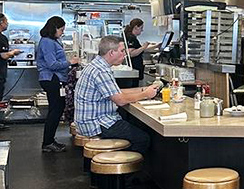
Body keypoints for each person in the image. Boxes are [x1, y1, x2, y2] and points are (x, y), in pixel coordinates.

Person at [74, 35, 158, 154]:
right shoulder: (101, 71)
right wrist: (145, 94)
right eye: (122, 51)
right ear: (111, 53)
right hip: (96, 124)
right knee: (142, 138)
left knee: (137, 127)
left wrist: (143, 89)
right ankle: (126, 170)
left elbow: (116, 91)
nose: (125, 54)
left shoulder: (97, 65)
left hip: (90, 120)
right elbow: (120, 100)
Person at [36, 16, 79, 152]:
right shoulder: (48, 42)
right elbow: (52, 64)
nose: (62, 32)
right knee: (55, 111)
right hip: (52, 79)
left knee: (56, 109)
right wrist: (69, 63)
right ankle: (47, 143)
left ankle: (49, 140)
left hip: (54, 79)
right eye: (61, 30)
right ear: (54, 28)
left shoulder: (52, 41)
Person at [124, 18, 156, 87]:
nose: (142, 30)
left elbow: (139, 49)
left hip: (135, 68)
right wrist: (144, 47)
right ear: (136, 27)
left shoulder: (133, 38)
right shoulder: (130, 38)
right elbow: (131, 54)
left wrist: (156, 46)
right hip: (134, 67)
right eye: (141, 28)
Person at [0, 15, 21, 105]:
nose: (7, 23)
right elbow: (3, 55)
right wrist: (13, 52)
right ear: (1, 23)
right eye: (6, 21)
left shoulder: (3, 38)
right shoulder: (1, 39)